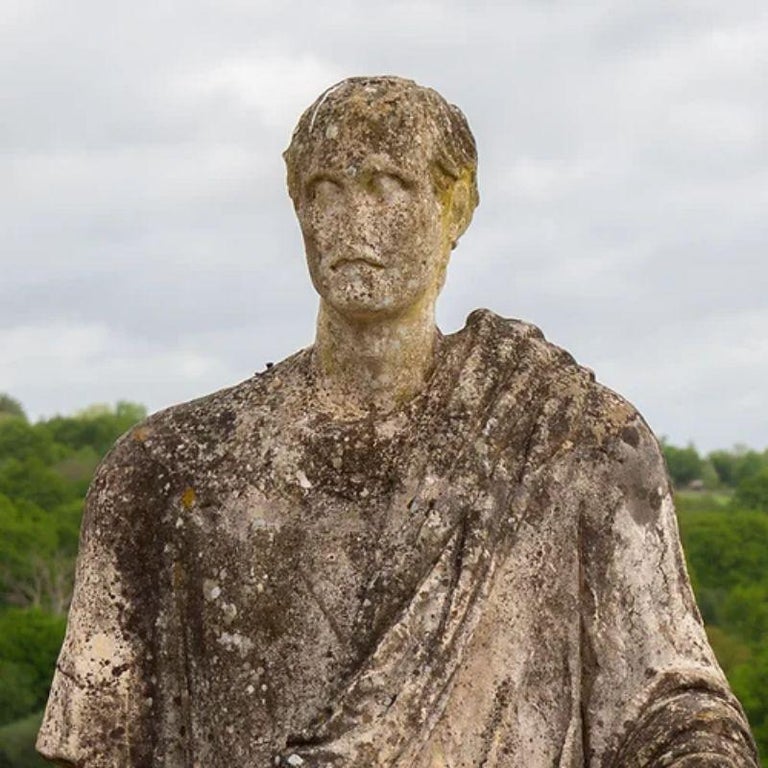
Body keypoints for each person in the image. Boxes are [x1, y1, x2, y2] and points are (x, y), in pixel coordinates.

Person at [38, 76, 758, 767]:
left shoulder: (579, 448)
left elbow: (671, 704)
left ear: (456, 206)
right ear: (299, 210)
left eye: (388, 185)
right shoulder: (164, 474)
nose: (354, 221)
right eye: (327, 189)